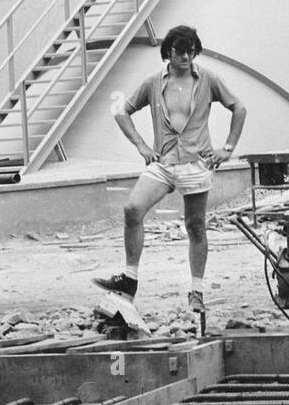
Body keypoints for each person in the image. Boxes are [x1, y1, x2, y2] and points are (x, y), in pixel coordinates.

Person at [94, 24, 246, 331]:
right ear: (169, 52)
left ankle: (197, 290)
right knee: (132, 209)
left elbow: (238, 108)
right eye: (181, 51)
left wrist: (227, 148)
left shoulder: (208, 79)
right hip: (164, 162)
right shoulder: (154, 82)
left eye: (192, 51)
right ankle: (129, 279)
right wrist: (141, 145)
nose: (187, 57)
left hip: (195, 162)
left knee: (195, 225)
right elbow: (122, 111)